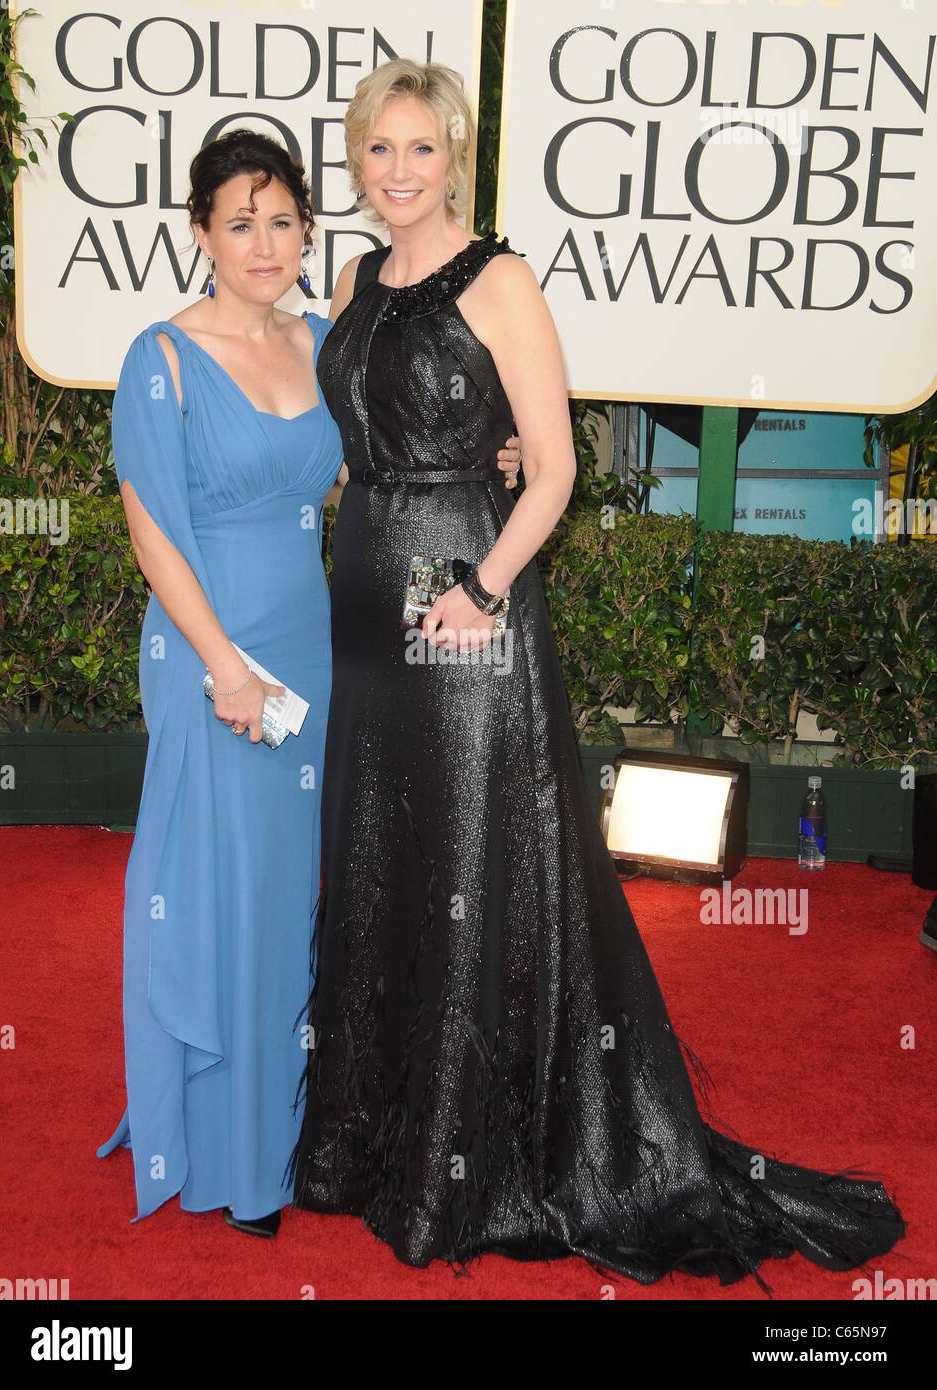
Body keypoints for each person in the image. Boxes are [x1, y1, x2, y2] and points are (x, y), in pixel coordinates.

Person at [289, 59, 905, 1287]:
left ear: (452, 155)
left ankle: (464, 1157)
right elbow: (353, 444)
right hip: (361, 610)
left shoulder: (500, 281)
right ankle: (366, 1142)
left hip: (460, 609)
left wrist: (477, 590)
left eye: (417, 150)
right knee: (378, 854)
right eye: (374, 152)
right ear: (354, 164)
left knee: (465, 855)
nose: (394, 172)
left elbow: (555, 468)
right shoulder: (354, 280)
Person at [96, 128, 520, 1237]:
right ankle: (218, 1142)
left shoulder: (322, 340)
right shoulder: (162, 356)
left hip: (313, 642)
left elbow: (381, 450)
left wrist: (492, 452)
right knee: (217, 883)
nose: (264, 242)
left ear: (305, 232)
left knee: (294, 894)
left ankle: (281, 1124)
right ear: (200, 233)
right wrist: (223, 670)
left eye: (283, 221)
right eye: (239, 222)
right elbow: (152, 535)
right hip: (207, 650)